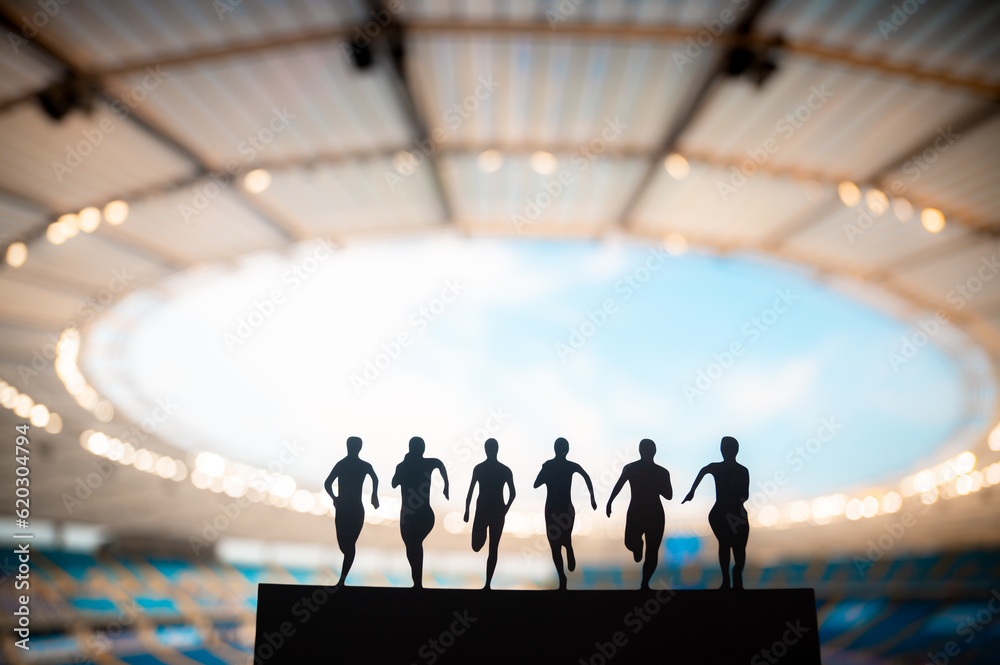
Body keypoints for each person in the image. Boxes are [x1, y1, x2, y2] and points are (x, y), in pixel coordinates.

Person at [682, 436, 750, 590]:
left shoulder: (740, 470)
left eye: (728, 448)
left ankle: (734, 579)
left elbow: (745, 495)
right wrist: (692, 491)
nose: (726, 451)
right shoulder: (730, 469)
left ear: (734, 450)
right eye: (725, 448)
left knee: (736, 549)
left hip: (731, 513)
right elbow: (704, 471)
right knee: (726, 545)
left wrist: (692, 491)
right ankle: (728, 580)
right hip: (725, 514)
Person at [606, 439, 672, 590]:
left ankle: (645, 583)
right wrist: (610, 501)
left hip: (654, 513)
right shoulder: (630, 468)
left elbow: (669, 495)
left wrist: (654, 482)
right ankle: (637, 546)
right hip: (637, 511)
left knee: (652, 550)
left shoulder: (661, 472)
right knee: (629, 541)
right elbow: (619, 484)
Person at [533, 437, 596, 590]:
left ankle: (562, 578)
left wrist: (546, 471)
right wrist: (592, 497)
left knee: (554, 545)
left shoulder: (548, 466)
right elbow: (586, 477)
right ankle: (568, 547)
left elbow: (536, 484)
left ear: (555, 449)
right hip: (566, 507)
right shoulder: (571, 466)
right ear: (567, 450)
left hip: (552, 509)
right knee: (564, 537)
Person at [392, 436, 449, 588]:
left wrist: (446, 485)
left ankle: (418, 584)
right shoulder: (426, 463)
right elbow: (439, 464)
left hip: (411, 516)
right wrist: (446, 485)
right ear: (422, 449)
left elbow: (394, 483)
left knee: (413, 546)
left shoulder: (404, 466)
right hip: (423, 514)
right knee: (413, 548)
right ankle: (417, 583)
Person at [324, 436, 379, 586]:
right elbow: (328, 483)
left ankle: (342, 580)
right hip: (349, 508)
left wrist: (374, 495)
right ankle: (342, 578)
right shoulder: (346, 465)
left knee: (349, 546)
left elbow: (374, 478)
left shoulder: (347, 465)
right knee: (344, 544)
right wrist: (334, 498)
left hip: (350, 508)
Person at [464, 438, 516, 589]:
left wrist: (504, 511)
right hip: (491, 510)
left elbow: (513, 493)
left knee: (493, 548)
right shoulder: (492, 469)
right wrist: (467, 510)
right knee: (478, 546)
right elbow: (471, 491)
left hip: (488, 510)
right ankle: (487, 584)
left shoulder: (484, 469)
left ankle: (487, 584)